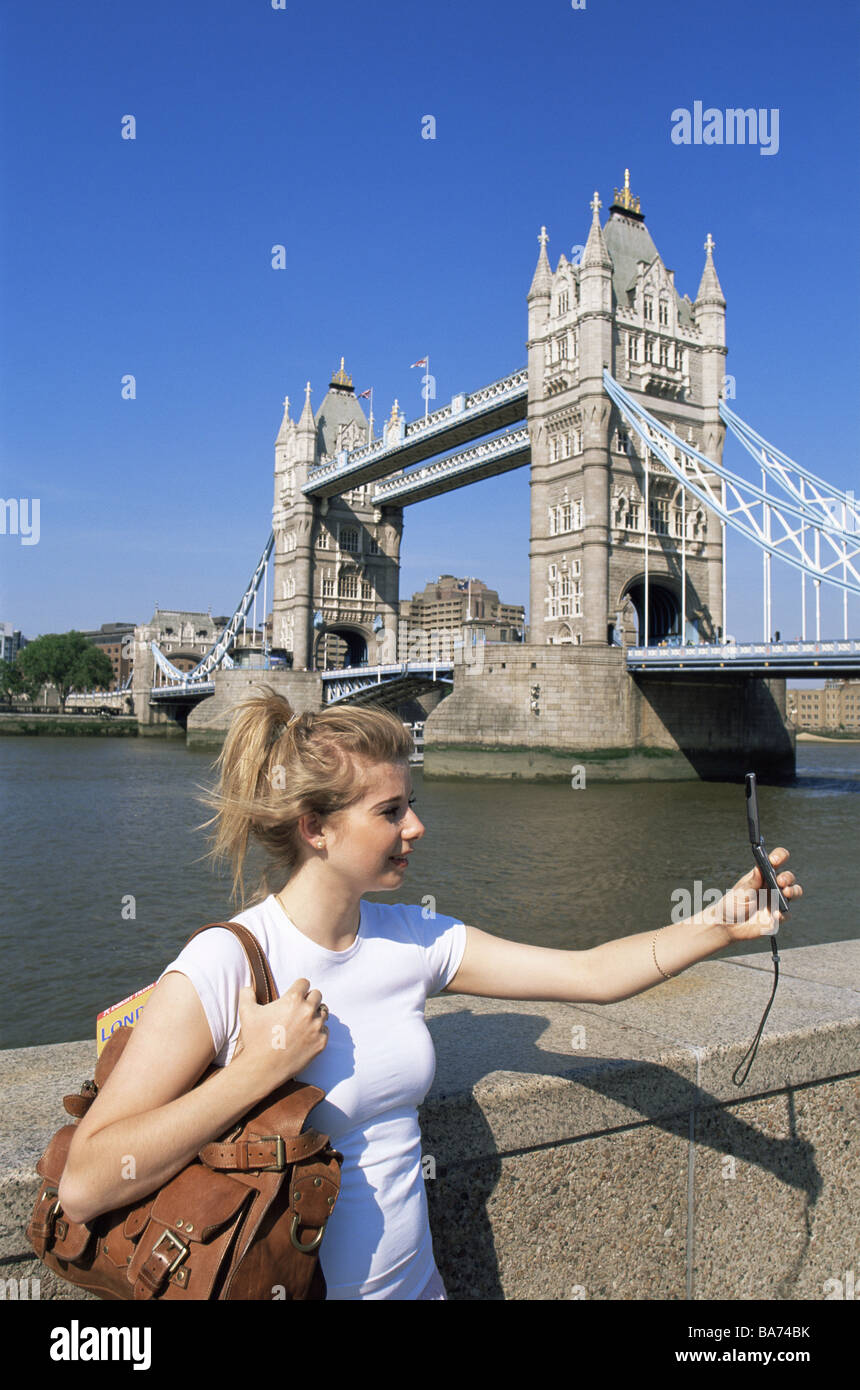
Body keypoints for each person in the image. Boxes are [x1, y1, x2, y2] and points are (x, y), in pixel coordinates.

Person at [58, 689, 803, 1300]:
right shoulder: (227, 962)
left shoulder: (414, 940)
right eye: (390, 812)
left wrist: (716, 925)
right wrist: (255, 1074)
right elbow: (87, 1185)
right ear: (316, 828)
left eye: (410, 802)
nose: (417, 826)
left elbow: (590, 976)